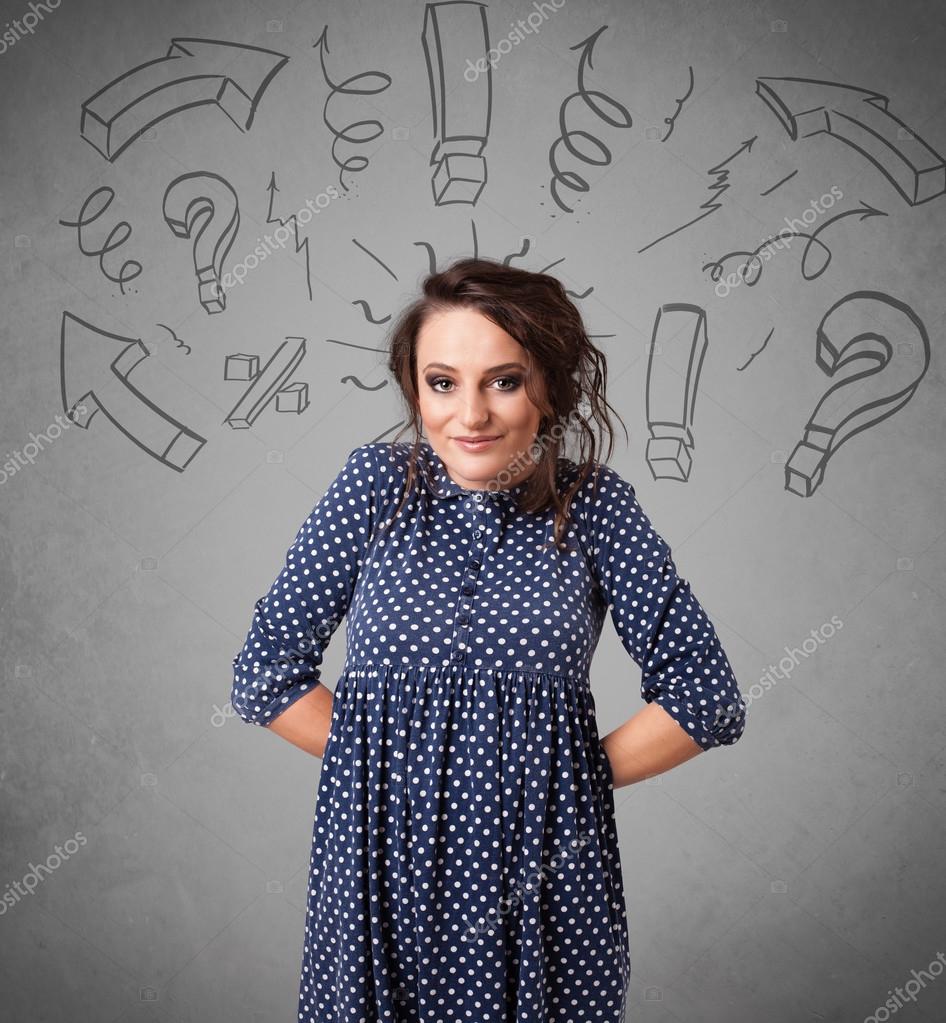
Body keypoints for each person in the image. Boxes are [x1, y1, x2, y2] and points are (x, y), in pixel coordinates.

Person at [230, 257, 748, 1022]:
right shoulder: (376, 486)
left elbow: (707, 698)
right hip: (379, 868)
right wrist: (389, 775)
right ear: (416, 390)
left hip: (543, 877)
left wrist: (561, 783)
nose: (469, 414)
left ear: (551, 389)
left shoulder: (595, 507)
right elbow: (265, 674)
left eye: (503, 381)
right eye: (442, 382)